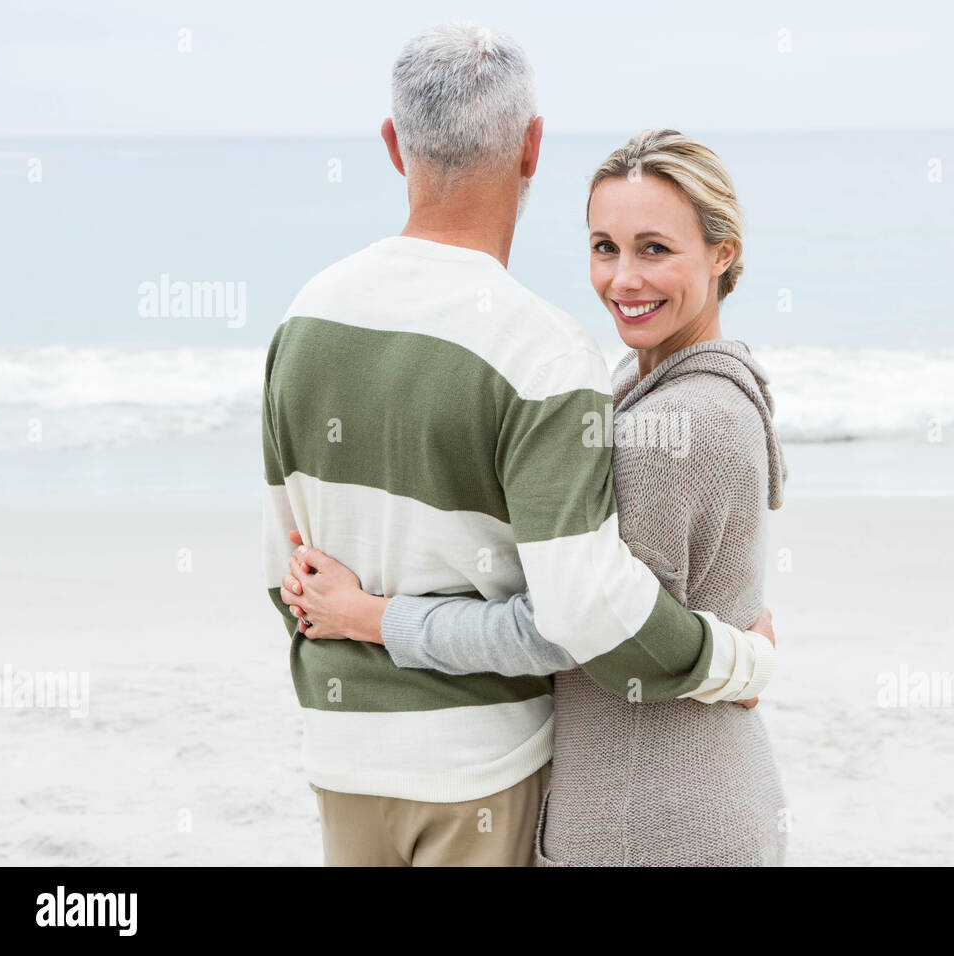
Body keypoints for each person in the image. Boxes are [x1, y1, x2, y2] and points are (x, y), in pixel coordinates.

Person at [261, 21, 775, 867]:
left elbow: (283, 570)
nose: (622, 277)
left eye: (653, 249)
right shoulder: (545, 353)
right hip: (483, 768)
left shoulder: (305, 317)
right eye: (605, 247)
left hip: (343, 760)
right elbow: (582, 615)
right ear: (533, 147)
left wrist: (357, 623)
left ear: (393, 145)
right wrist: (742, 660)